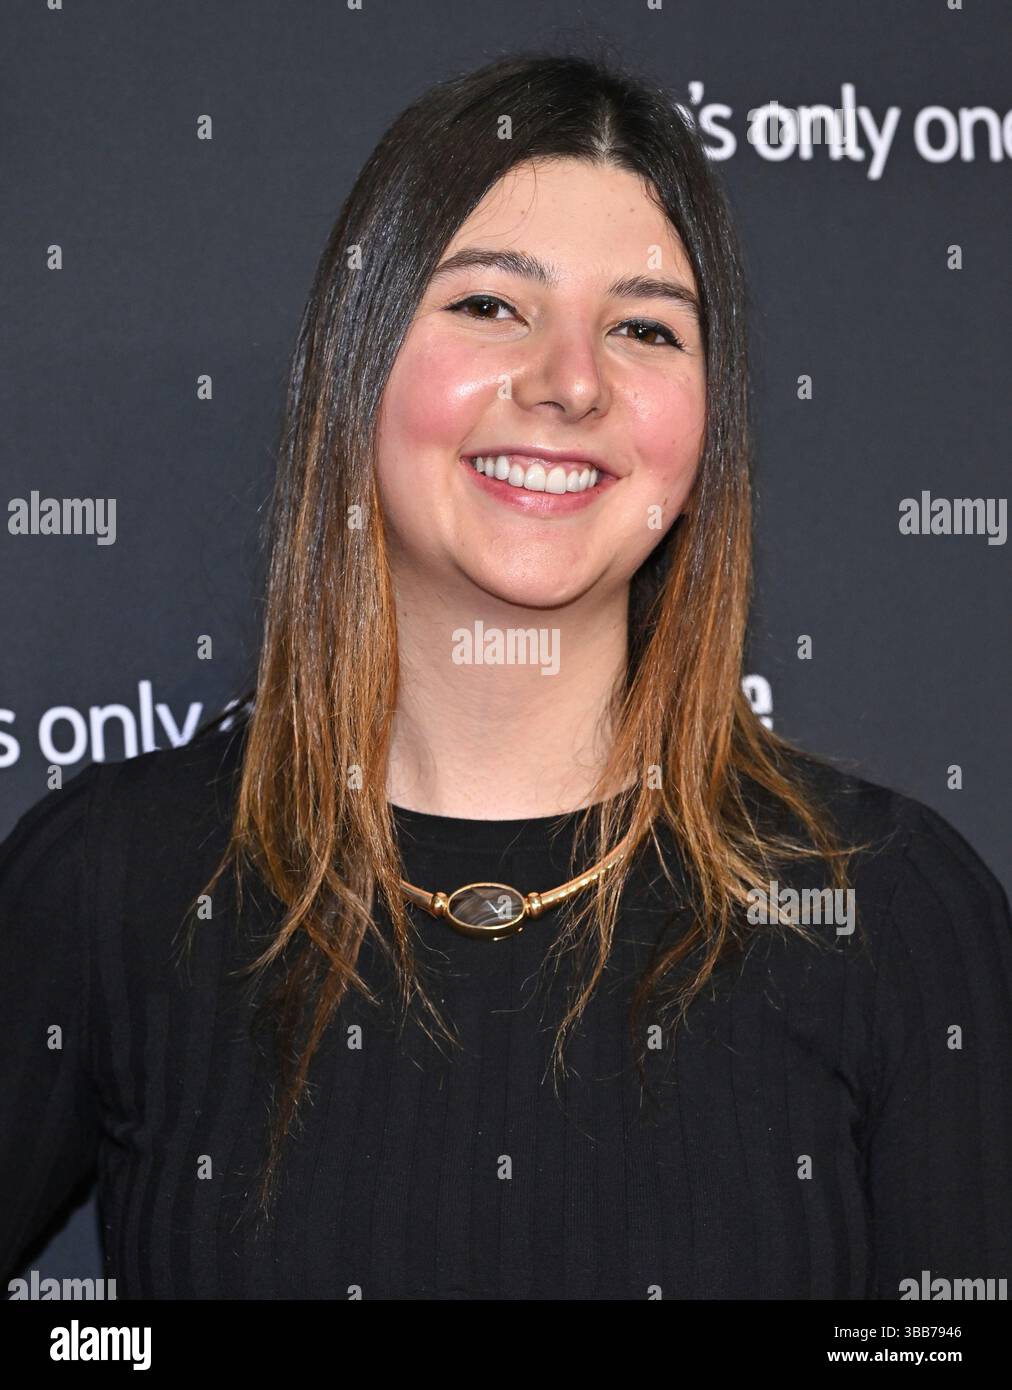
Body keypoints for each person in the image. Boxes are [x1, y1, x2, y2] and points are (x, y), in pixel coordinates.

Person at [2, 51, 1010, 1302]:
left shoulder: (892, 913)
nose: (571, 381)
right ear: (357, 359)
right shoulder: (114, 885)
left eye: (644, 328)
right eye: (489, 305)